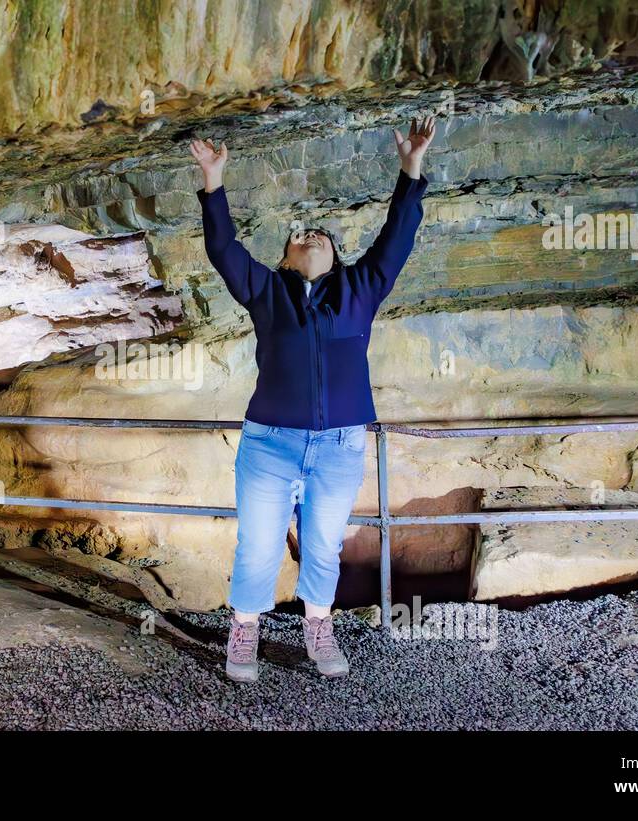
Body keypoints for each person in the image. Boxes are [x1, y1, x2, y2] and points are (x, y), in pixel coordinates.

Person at [190, 116, 436, 682]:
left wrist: (410, 168)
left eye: (321, 234)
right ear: (284, 259)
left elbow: (397, 237)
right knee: (257, 547)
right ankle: (245, 632)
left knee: (324, 545)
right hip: (270, 445)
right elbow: (224, 249)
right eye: (300, 235)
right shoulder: (267, 291)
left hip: (341, 446)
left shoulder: (360, 290)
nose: (312, 234)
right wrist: (213, 181)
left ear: (335, 256)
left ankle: (318, 631)